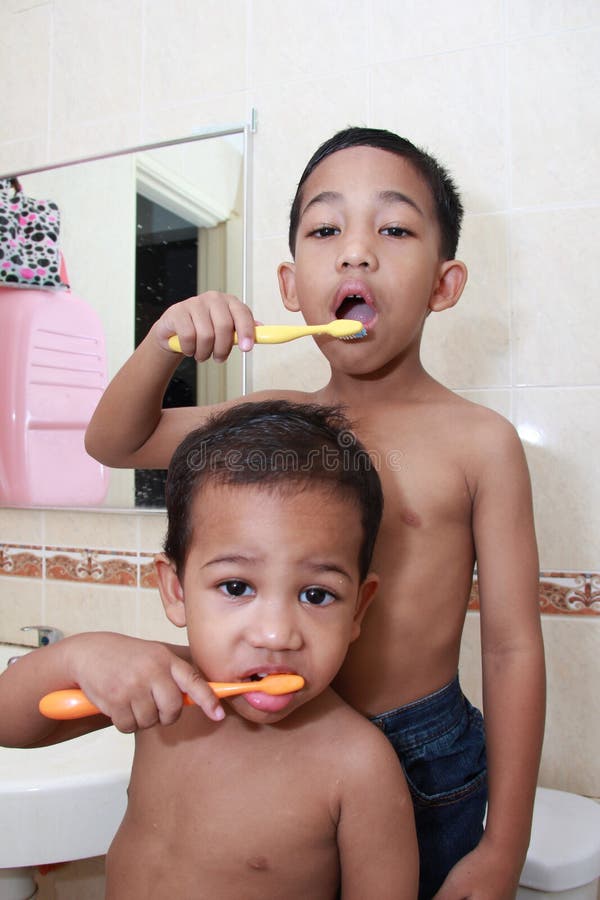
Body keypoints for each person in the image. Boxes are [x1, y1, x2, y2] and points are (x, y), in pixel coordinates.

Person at [84, 127, 545, 899]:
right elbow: (114, 441)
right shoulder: (271, 423)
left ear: (444, 284)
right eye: (327, 230)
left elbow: (510, 649)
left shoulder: (479, 444)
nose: (356, 253)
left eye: (394, 230)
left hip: (420, 756)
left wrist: (506, 845)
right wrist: (166, 340)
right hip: (273, 727)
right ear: (291, 285)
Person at [0, 400, 419, 900]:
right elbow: (7, 724)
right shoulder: (161, 689)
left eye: (316, 595)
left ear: (357, 610)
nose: (275, 635)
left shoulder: (358, 766)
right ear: (176, 590)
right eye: (236, 587)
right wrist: (77, 655)